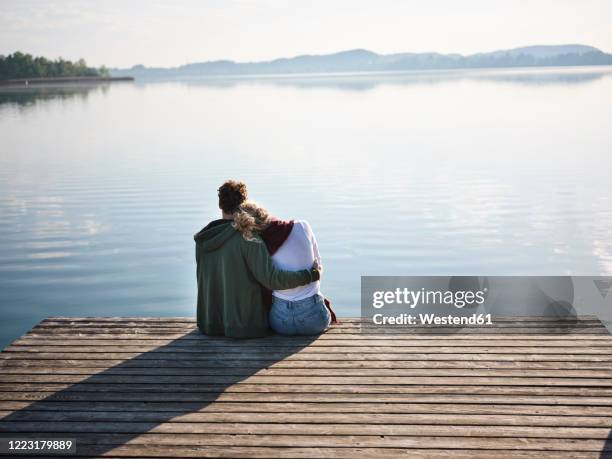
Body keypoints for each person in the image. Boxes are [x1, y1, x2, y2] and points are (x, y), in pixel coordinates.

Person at [194, 180, 321, 338]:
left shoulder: (205, 237)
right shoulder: (248, 238)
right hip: (245, 326)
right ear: (244, 205)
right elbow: (272, 280)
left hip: (209, 324)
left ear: (220, 205)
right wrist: (311, 275)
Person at [233, 201, 333, 335]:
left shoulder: (259, 247)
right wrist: (314, 273)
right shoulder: (302, 226)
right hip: (314, 319)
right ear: (263, 212)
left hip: (280, 322)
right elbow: (319, 266)